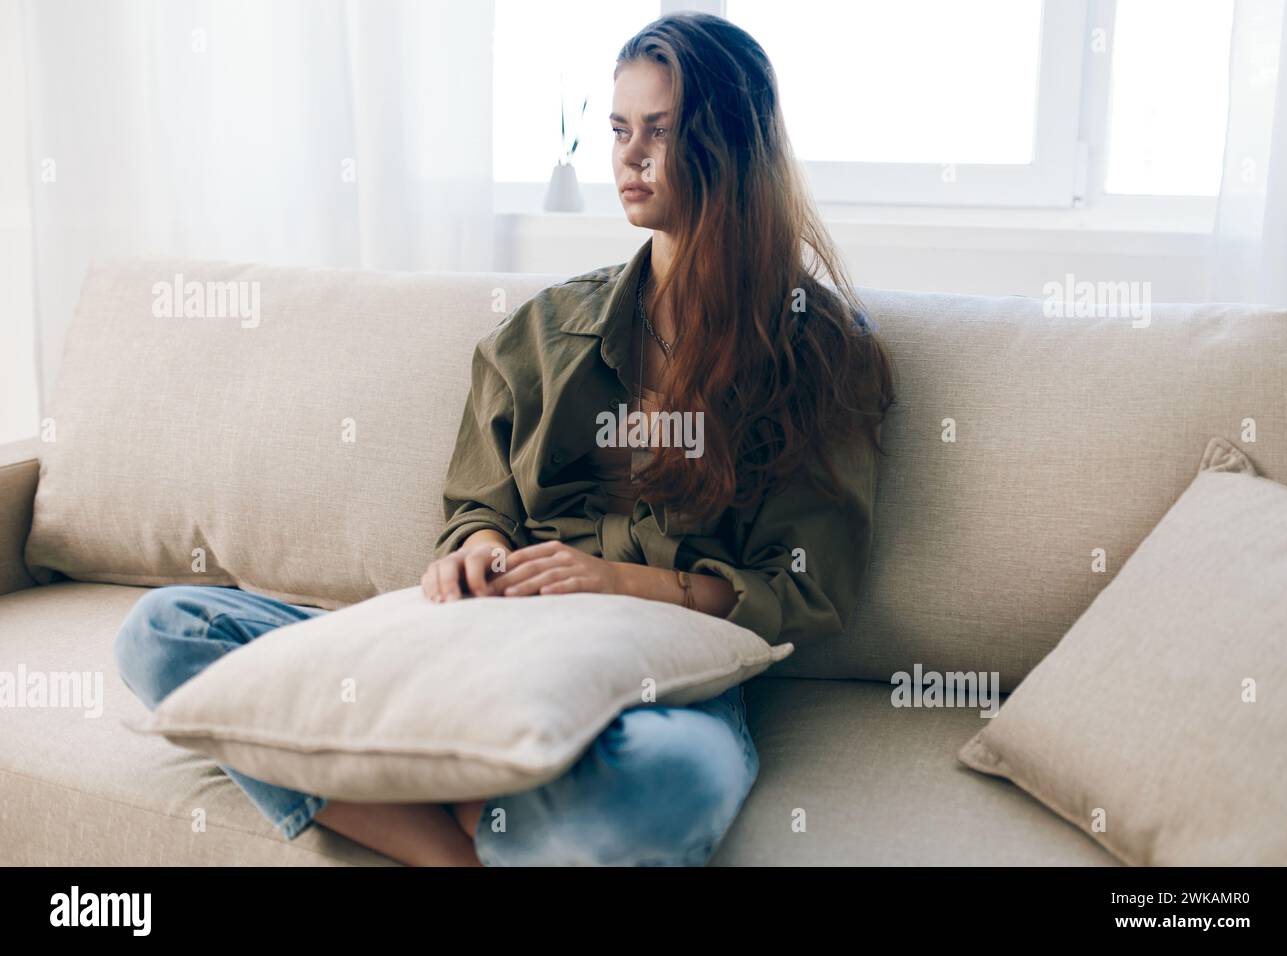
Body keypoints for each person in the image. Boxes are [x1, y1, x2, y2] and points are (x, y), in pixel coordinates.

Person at [114, 11, 896, 867]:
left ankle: (459, 800)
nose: (629, 158)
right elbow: (476, 506)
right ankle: (460, 851)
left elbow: (810, 587)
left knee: (664, 785)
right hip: (488, 642)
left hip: (662, 675)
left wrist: (616, 581)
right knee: (167, 630)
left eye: (660, 133)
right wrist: (475, 549)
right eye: (619, 130)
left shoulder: (818, 351)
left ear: (734, 147)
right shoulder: (547, 328)